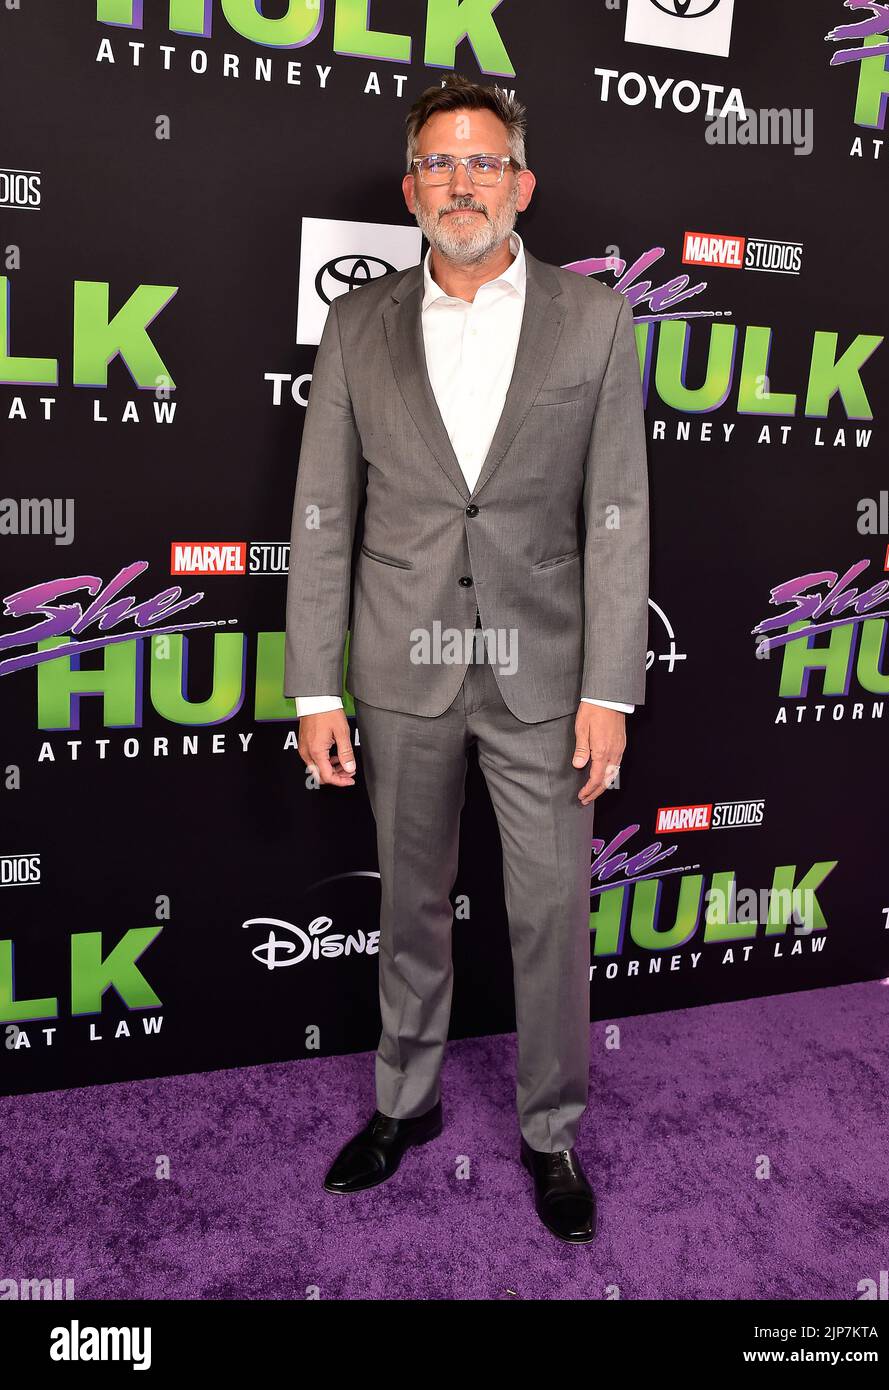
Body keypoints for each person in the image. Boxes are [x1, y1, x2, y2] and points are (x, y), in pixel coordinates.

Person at [284, 73, 650, 1244]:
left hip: (544, 678)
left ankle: (550, 1131)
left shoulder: (595, 320)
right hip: (401, 671)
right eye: (438, 164)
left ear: (521, 183)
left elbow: (616, 513)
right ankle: (406, 1101)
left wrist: (608, 690)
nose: (459, 182)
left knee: (549, 916)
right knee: (411, 909)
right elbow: (324, 515)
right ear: (410, 189)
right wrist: (311, 684)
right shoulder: (357, 325)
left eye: (481, 161)